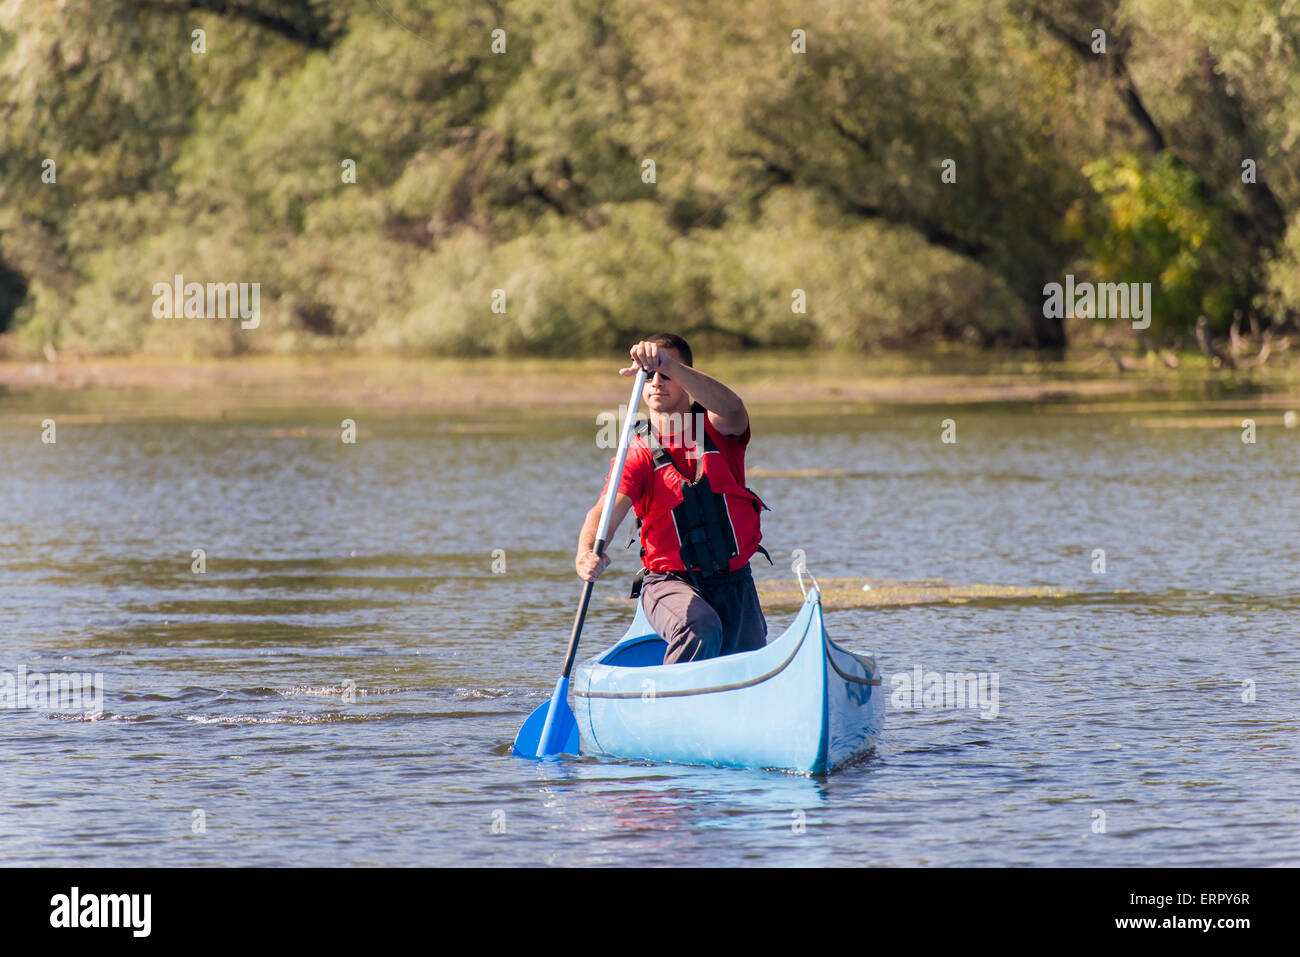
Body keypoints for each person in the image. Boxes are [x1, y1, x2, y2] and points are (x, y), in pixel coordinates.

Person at [574, 334, 772, 664]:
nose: (656, 382)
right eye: (647, 375)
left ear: (685, 377)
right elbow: (605, 511)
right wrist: (587, 552)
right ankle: (668, 703)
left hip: (735, 584)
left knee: (747, 664)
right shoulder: (638, 453)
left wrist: (668, 363)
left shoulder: (719, 429)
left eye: (666, 374)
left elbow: (734, 408)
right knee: (700, 627)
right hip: (669, 583)